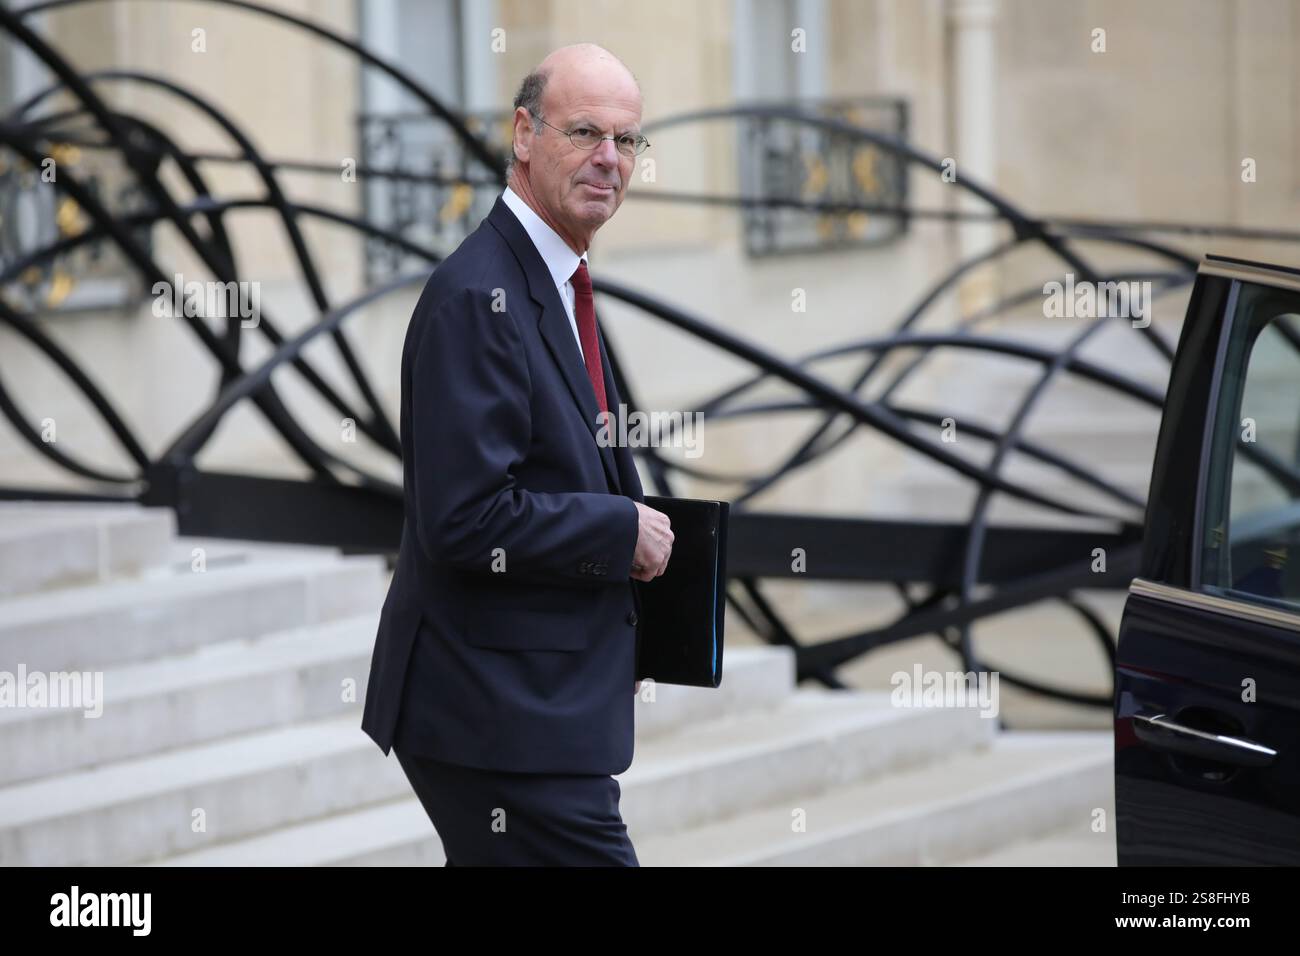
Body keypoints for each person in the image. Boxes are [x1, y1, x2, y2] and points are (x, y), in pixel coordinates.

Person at [360, 43, 673, 866]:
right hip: (494, 716)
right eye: (585, 132)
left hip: (540, 706)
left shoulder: (555, 276)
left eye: (628, 140)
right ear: (524, 134)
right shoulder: (478, 296)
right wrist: (620, 531)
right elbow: (466, 519)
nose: (610, 158)